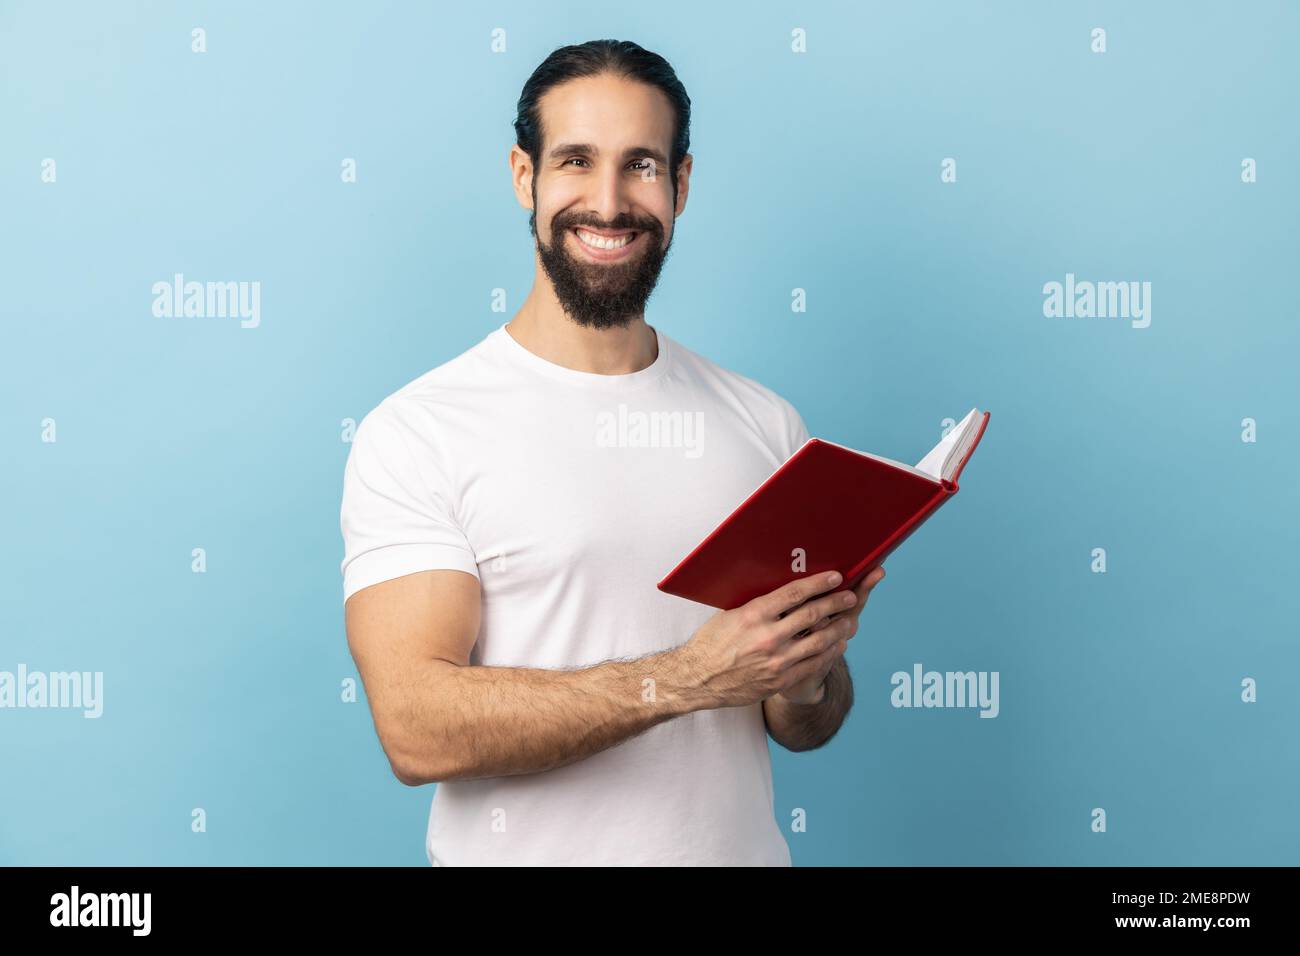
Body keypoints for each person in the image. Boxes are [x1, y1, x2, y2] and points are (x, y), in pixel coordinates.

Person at [339, 39, 886, 866]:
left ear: (681, 185)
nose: (607, 202)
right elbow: (416, 728)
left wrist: (806, 668)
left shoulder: (767, 425)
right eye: (575, 162)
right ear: (524, 177)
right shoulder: (419, 432)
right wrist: (690, 678)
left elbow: (804, 724)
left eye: (639, 165)